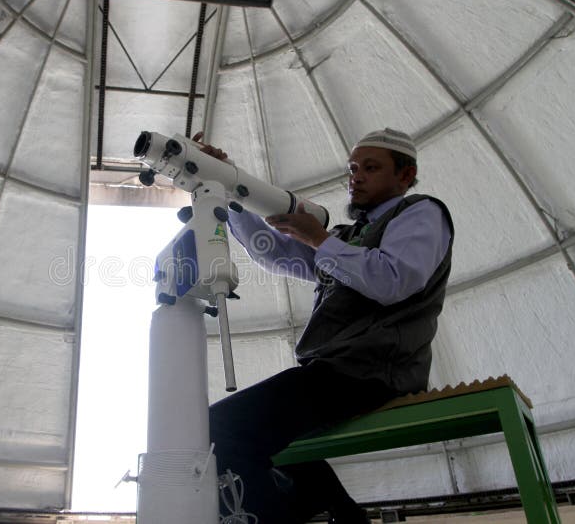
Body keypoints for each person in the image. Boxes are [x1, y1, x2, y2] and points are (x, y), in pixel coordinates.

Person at [194, 128, 454, 523]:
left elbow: (393, 280)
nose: (356, 176)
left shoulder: (421, 212)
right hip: (336, 372)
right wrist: (226, 186)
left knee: (219, 429)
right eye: (352, 168)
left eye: (370, 167)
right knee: (273, 444)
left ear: (405, 176)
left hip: (374, 371)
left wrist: (319, 240)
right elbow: (276, 253)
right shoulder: (348, 236)